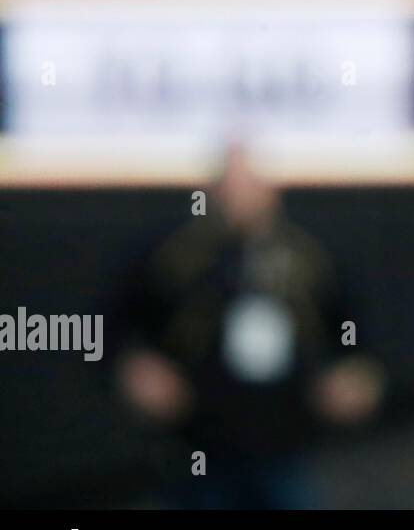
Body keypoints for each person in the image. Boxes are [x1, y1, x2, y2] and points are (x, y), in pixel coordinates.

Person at [115, 145, 383, 508]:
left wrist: (354, 379)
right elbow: (114, 332)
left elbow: (358, 346)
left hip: (288, 446)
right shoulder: (172, 259)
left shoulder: (312, 259)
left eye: (249, 182)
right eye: (229, 183)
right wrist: (136, 370)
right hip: (197, 448)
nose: (238, 194)